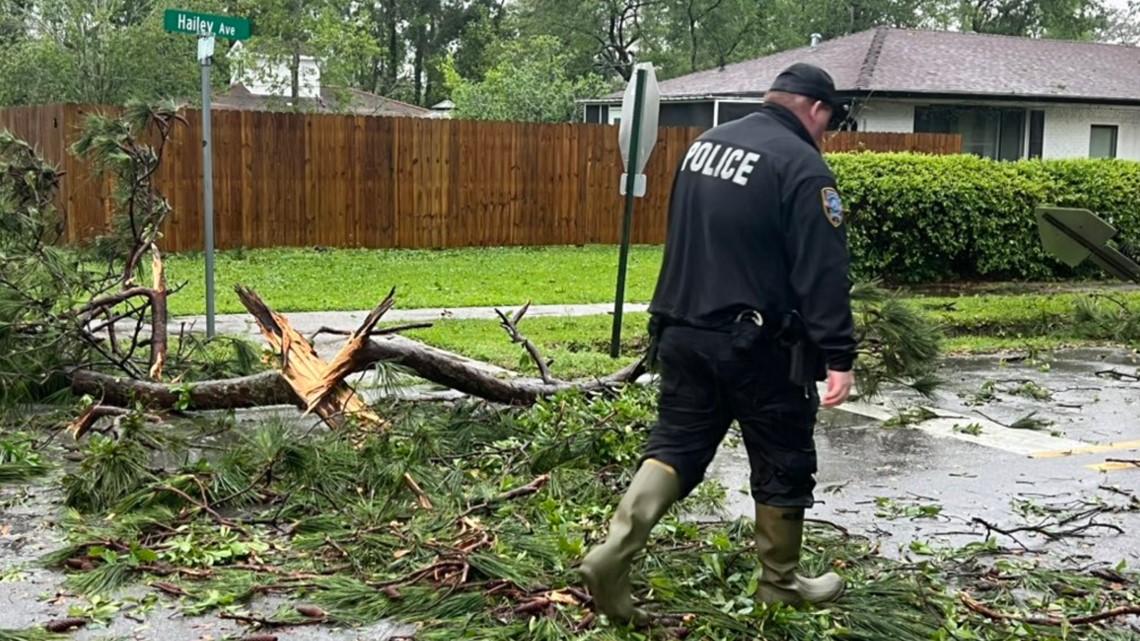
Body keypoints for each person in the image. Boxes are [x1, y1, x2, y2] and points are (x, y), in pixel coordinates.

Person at [578, 62, 858, 625]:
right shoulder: (802, 165)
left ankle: (612, 552)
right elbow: (822, 270)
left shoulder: (705, 146)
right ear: (816, 109)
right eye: (829, 123)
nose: (826, 134)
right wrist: (839, 356)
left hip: (681, 329)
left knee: (677, 445)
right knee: (783, 455)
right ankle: (779, 583)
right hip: (757, 344)